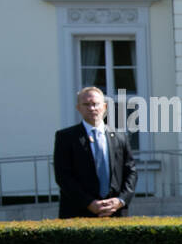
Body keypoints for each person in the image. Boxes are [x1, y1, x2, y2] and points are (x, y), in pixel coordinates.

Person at [53, 86, 137, 218]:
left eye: (95, 104)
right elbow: (63, 176)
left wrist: (120, 201)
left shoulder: (120, 136)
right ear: (78, 108)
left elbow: (131, 171)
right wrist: (89, 203)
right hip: (78, 213)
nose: (91, 108)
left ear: (104, 107)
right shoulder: (66, 137)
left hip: (115, 212)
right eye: (86, 104)